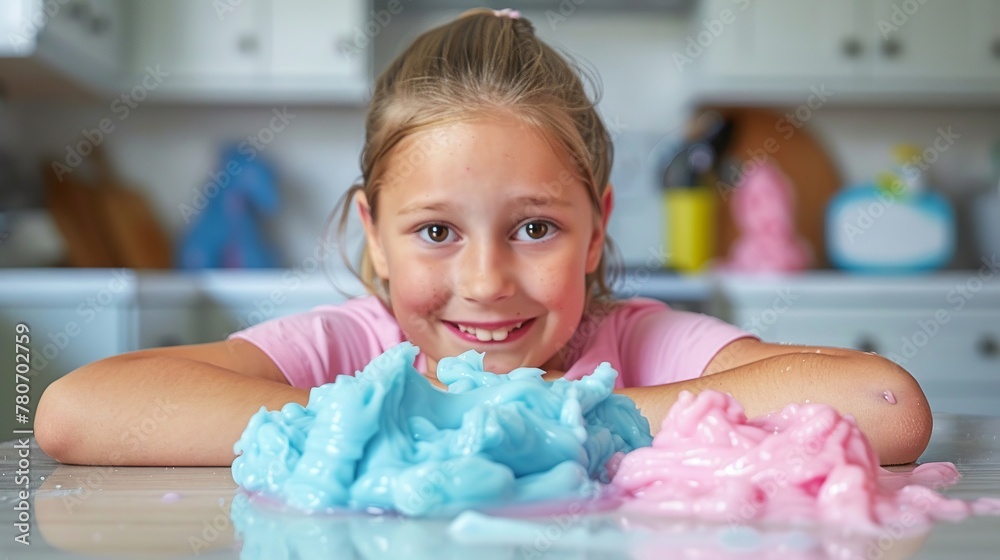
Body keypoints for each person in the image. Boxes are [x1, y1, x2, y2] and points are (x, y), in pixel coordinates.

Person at [35, 8, 931, 468]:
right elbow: (77, 412)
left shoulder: (637, 343)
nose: (488, 280)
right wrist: (411, 417)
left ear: (596, 233)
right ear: (374, 237)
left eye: (536, 227)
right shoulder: (351, 347)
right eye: (435, 230)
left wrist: (558, 418)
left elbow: (885, 405)